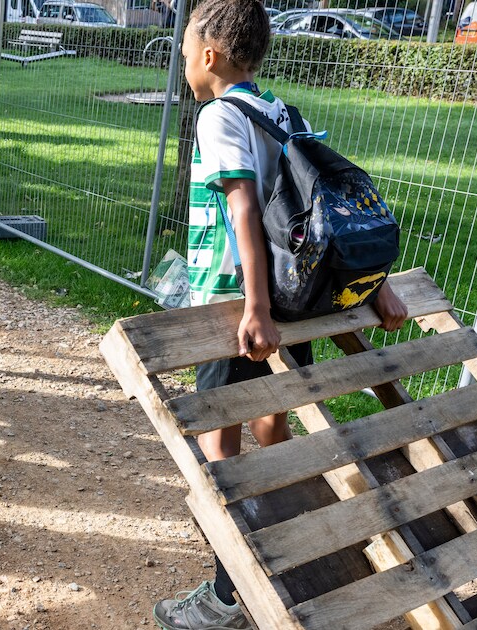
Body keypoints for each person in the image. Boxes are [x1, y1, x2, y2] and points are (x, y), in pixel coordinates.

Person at [151, 1, 408, 628]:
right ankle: (287, 558)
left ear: (209, 56)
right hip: (295, 300)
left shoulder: (216, 116)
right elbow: (324, 206)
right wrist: (372, 289)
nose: (183, 62)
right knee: (273, 427)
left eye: (185, 51)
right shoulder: (282, 112)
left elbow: (244, 209)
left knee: (221, 442)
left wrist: (255, 309)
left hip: (240, 306)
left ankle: (228, 594)